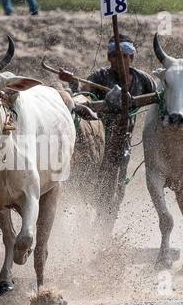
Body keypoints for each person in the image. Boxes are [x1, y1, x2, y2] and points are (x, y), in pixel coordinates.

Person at [67, 35, 157, 227]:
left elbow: (159, 99)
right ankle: (83, 223)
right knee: (91, 187)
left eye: (124, 56)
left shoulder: (144, 80)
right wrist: (73, 84)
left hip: (123, 144)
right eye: (114, 56)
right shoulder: (100, 76)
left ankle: (105, 232)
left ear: (132, 57)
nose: (119, 60)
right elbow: (83, 92)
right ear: (109, 57)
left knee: (116, 193)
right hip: (97, 142)